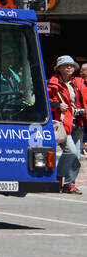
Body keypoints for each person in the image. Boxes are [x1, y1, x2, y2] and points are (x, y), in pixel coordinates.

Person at [47, 57, 81, 194]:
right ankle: (58, 178)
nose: (69, 68)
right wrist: (56, 105)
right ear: (59, 68)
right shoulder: (51, 83)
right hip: (62, 123)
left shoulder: (78, 84)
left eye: (71, 65)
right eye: (65, 65)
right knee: (71, 151)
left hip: (78, 122)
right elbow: (42, 101)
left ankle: (69, 184)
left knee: (76, 156)